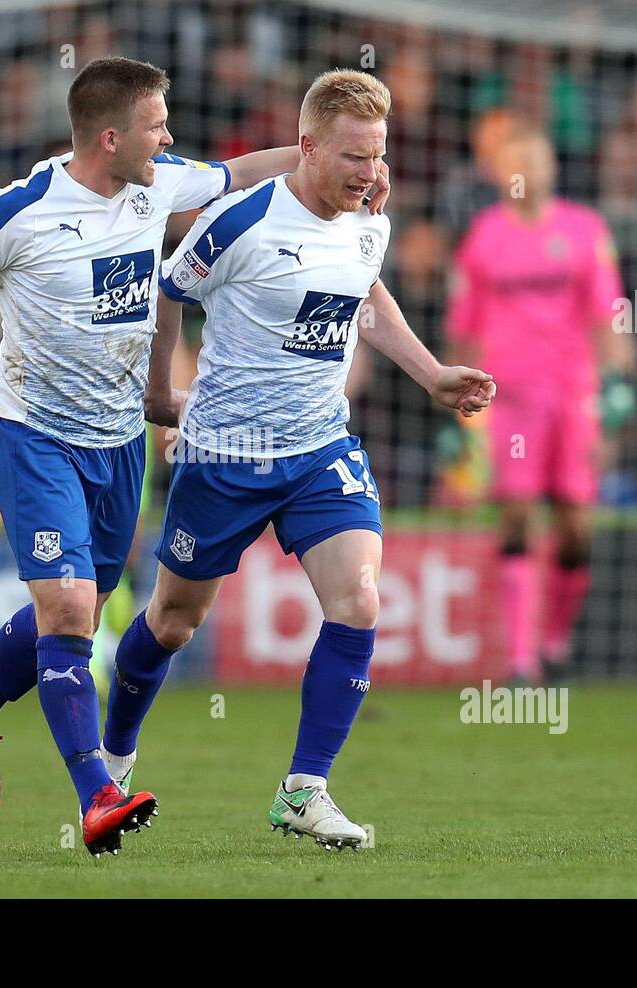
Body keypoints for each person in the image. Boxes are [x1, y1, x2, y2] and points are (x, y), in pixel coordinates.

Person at [0, 56, 389, 858]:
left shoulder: (157, 184)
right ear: (110, 138)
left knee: (77, 604)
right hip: (34, 437)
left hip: (117, 444)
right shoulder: (20, 210)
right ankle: (98, 796)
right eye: (157, 125)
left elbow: (237, 171)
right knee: (73, 612)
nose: (169, 137)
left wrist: (340, 165)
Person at [98, 69, 492, 850]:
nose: (369, 172)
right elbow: (169, 291)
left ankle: (305, 789)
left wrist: (433, 373)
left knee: (362, 598)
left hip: (319, 449)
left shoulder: (369, 219)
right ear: (306, 147)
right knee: (174, 622)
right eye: (352, 155)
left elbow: (365, 294)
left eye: (377, 155)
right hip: (226, 452)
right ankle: (113, 757)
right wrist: (161, 393)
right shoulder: (239, 222)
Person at [447, 126, 631, 685]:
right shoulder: (484, 238)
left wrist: (618, 384)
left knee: (576, 524)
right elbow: (465, 328)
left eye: (535, 157)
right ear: (501, 174)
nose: (526, 169)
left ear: (551, 169)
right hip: (511, 400)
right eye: (515, 159)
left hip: (575, 397)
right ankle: (522, 659)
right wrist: (460, 406)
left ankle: (556, 637)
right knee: (519, 514)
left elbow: (609, 315)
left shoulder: (585, 231)